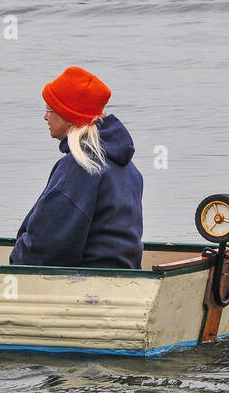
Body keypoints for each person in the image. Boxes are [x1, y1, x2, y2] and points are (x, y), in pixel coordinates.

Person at [10, 66, 143, 269]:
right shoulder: (126, 167)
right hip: (122, 280)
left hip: (85, 287)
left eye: (49, 109)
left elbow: (47, 247)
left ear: (67, 115)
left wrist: (17, 259)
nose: (45, 117)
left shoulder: (80, 167)